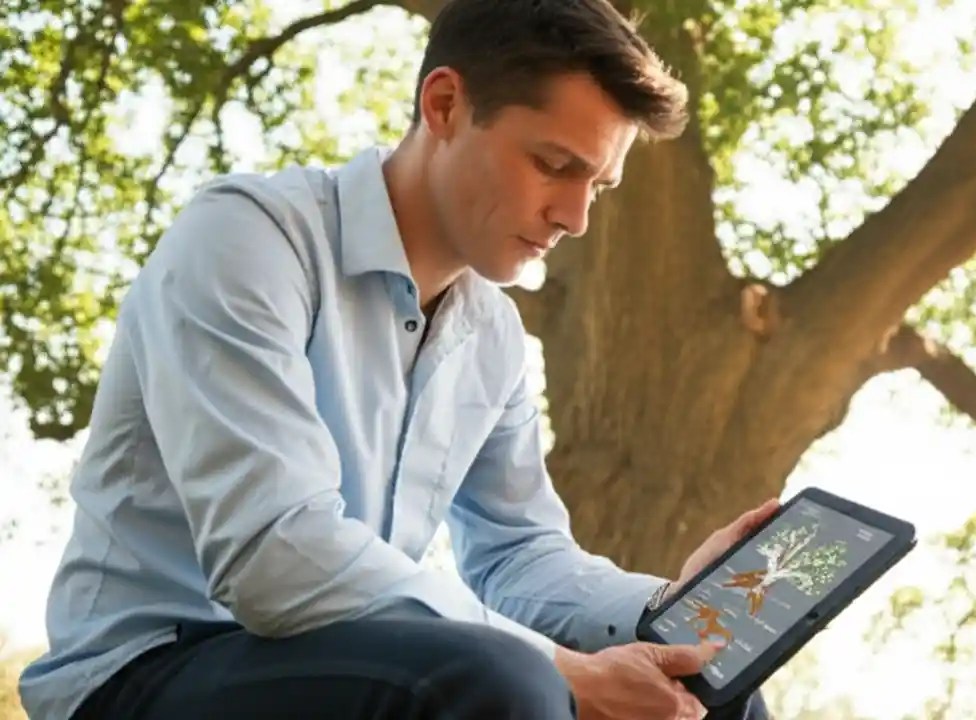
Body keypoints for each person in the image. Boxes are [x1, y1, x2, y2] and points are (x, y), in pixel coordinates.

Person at [19, 0, 781, 718]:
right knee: (501, 680)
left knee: (715, 692)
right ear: (444, 105)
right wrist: (564, 670)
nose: (576, 217)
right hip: (148, 670)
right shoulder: (248, 239)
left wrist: (668, 610)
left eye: (599, 185)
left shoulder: (493, 334)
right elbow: (272, 555)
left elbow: (519, 556)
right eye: (553, 164)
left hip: (353, 659)